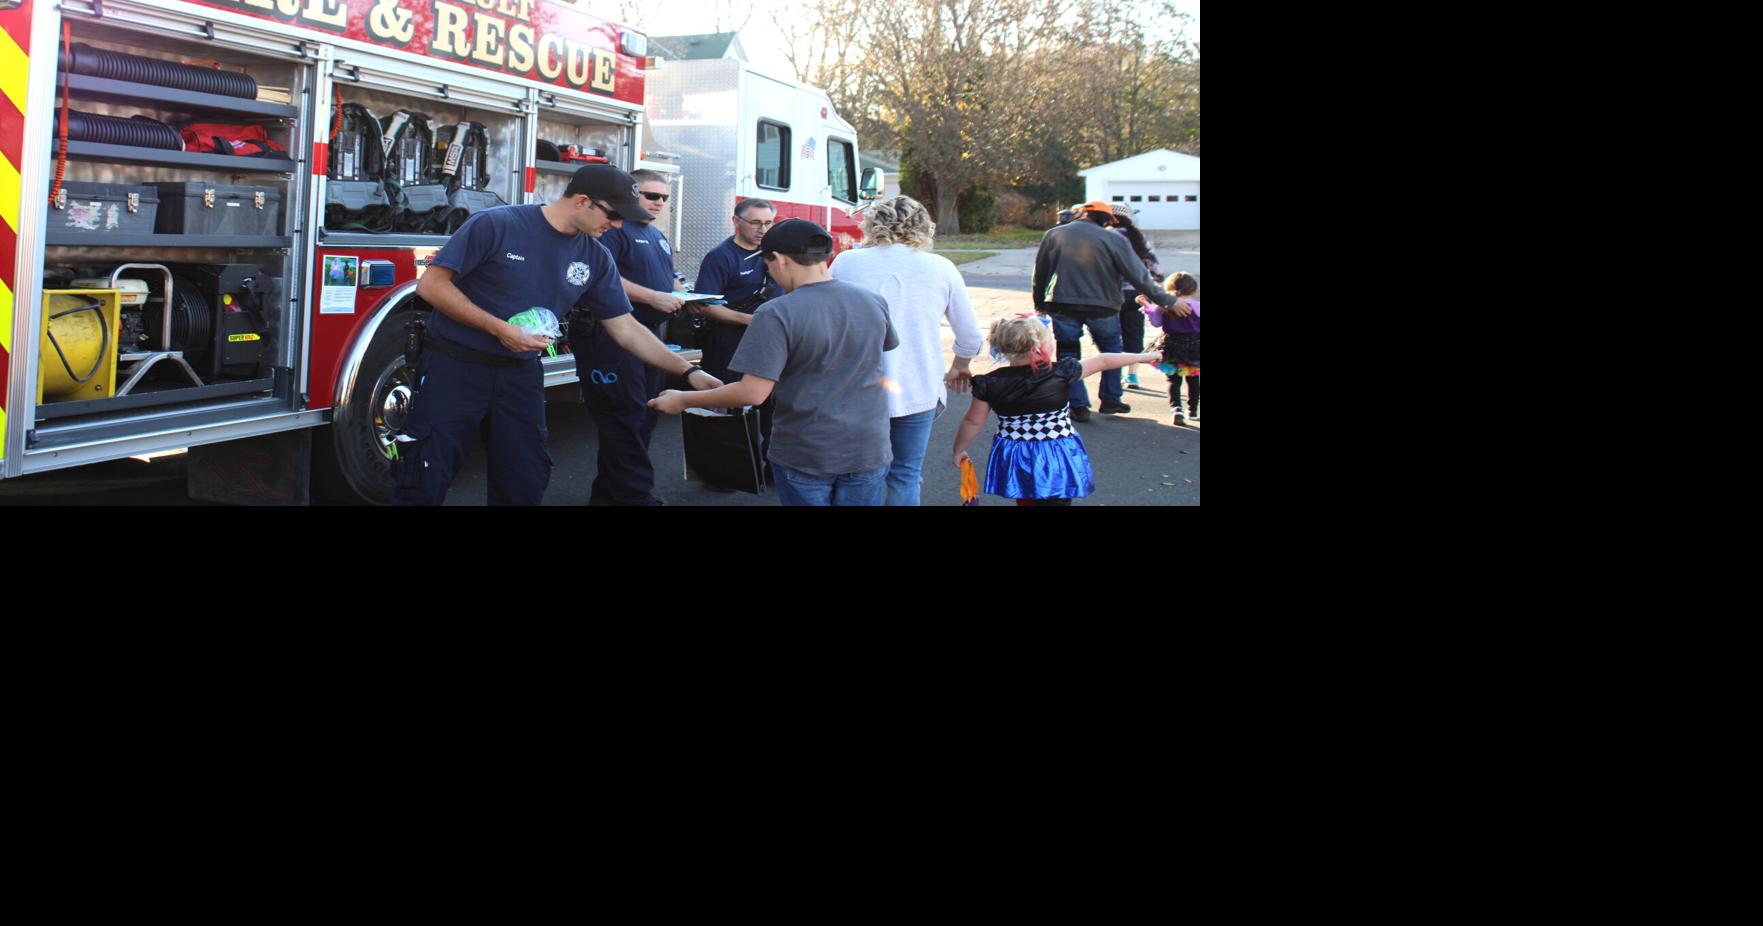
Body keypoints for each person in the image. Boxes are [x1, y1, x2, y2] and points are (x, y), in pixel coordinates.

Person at [396, 164, 721, 506]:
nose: (618, 225)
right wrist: (500, 329)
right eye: (613, 215)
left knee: (524, 479)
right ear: (582, 201)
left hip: (520, 375)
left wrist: (690, 372)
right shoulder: (497, 224)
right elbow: (432, 286)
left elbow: (626, 329)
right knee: (426, 473)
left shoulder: (596, 256)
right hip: (455, 366)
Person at [648, 219, 899, 506]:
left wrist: (683, 399)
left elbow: (752, 393)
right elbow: (878, 353)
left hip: (806, 451)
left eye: (767, 264)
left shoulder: (776, 312)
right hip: (869, 447)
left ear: (779, 259)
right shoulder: (872, 300)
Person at [828, 195, 983, 506]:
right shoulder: (941, 267)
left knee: (858, 474)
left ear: (872, 224)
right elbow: (970, 336)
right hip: (918, 387)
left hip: (855, 389)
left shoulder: (847, 262)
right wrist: (959, 365)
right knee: (905, 474)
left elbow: (826, 317)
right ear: (923, 226)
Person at [951, 315, 1160, 506]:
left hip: (1018, 451)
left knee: (1027, 497)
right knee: (1058, 498)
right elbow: (1104, 360)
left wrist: (959, 449)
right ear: (1039, 346)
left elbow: (973, 421)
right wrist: (1145, 356)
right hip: (1057, 449)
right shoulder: (1061, 372)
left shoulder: (990, 383)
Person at [573, 168, 687, 506]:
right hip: (611, 336)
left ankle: (609, 494)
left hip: (647, 338)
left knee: (645, 415)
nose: (658, 203)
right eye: (651, 195)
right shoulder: (610, 230)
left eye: (664, 198)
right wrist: (653, 297)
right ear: (632, 195)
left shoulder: (656, 235)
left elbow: (669, 278)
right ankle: (634, 496)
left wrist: (690, 298)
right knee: (625, 417)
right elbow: (600, 276)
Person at [1030, 200, 1181, 422]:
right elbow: (1139, 276)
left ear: (1083, 214)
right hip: (1103, 306)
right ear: (1106, 220)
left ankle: (1077, 405)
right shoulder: (1114, 239)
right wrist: (1169, 301)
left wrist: (1040, 305)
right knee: (1112, 352)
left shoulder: (1054, 234)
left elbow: (1041, 273)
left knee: (1068, 355)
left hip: (1063, 304)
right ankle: (1110, 400)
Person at [691, 197, 778, 489]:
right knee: (729, 407)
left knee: (773, 409)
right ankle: (729, 474)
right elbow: (706, 306)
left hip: (770, 344)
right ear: (736, 221)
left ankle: (772, 470)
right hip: (728, 342)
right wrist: (752, 322)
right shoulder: (721, 256)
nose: (762, 229)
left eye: (767, 223)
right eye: (755, 222)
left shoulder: (775, 254)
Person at [1109, 204, 1163, 391]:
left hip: (1109, 295)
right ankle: (1132, 375)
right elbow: (1154, 264)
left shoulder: (1104, 235)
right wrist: (1158, 281)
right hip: (1135, 293)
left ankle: (1113, 376)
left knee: (1111, 337)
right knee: (1133, 335)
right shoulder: (1138, 236)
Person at [1142, 271, 1200, 426]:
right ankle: (1192, 411)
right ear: (1193, 289)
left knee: (1173, 379)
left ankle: (1177, 409)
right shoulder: (1197, 306)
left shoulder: (1165, 306)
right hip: (1195, 346)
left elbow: (1155, 323)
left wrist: (1148, 307)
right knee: (1193, 378)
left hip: (1171, 344)